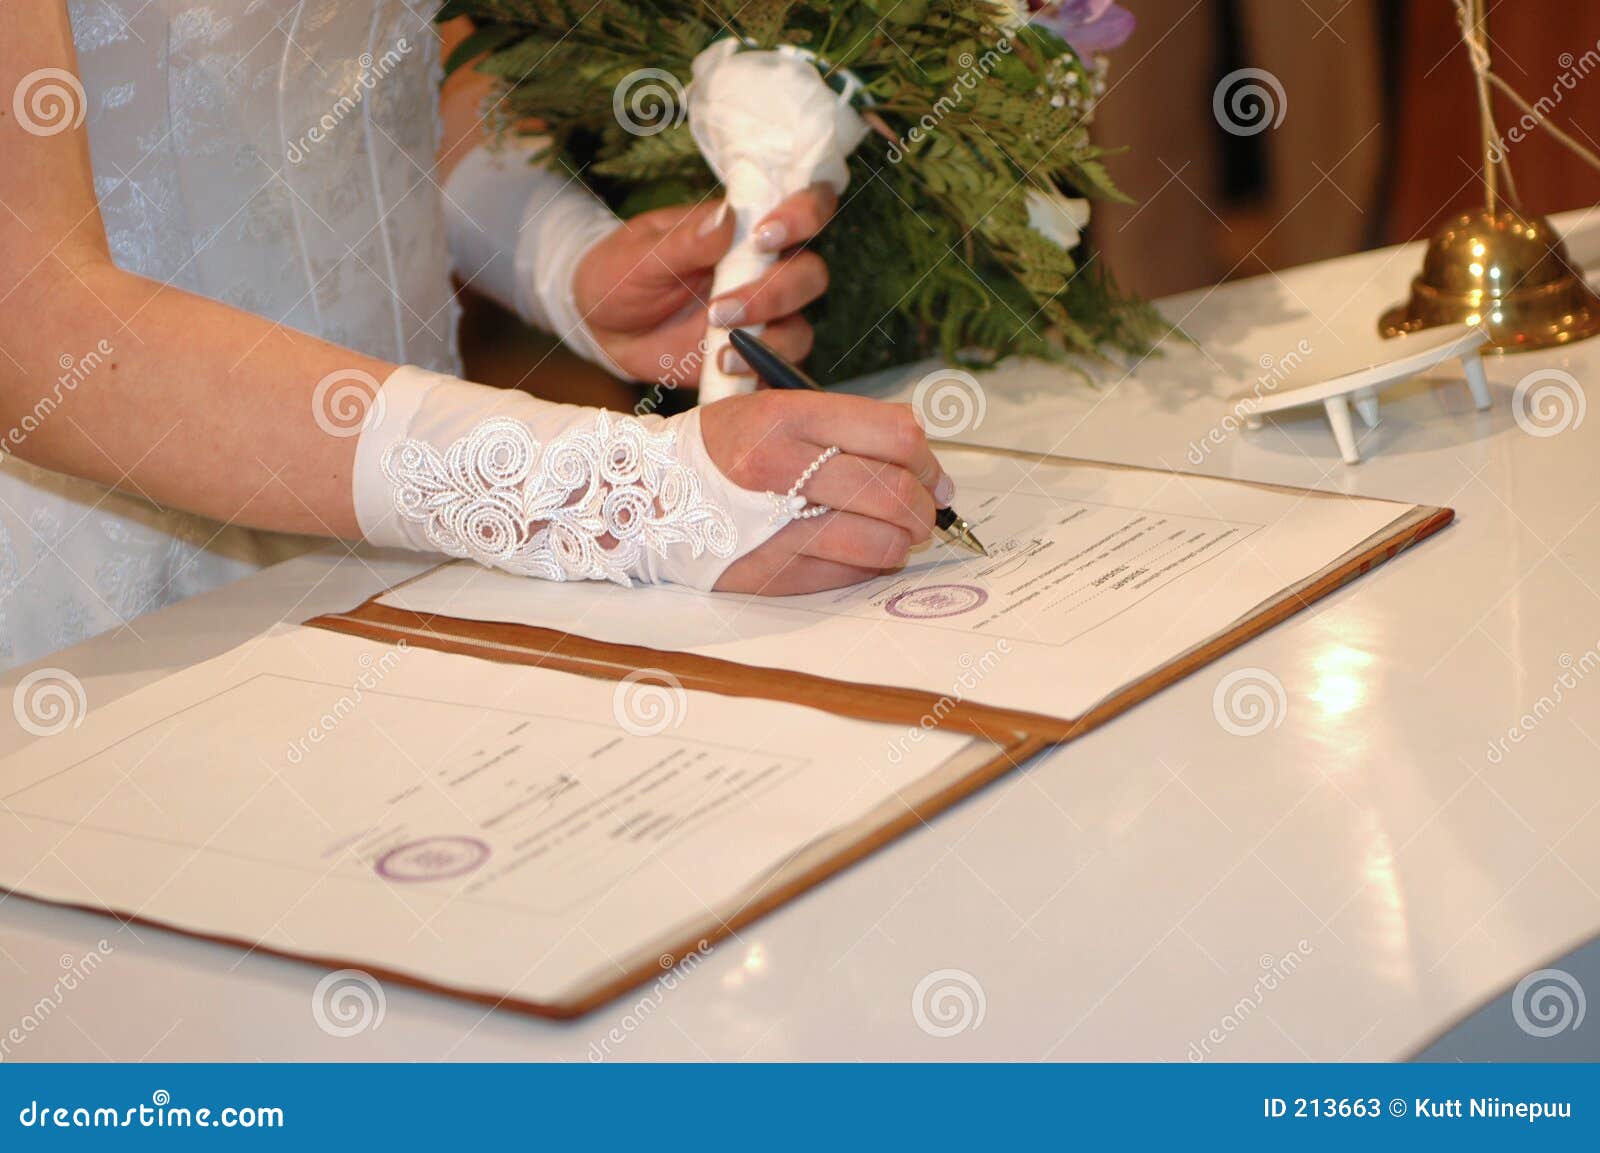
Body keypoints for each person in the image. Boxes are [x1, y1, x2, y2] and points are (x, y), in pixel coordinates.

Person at [0, 4, 951, 670]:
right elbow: (32, 320)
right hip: (109, 574)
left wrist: (563, 262)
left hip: (415, 521)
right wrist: (630, 494)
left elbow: (401, 77)